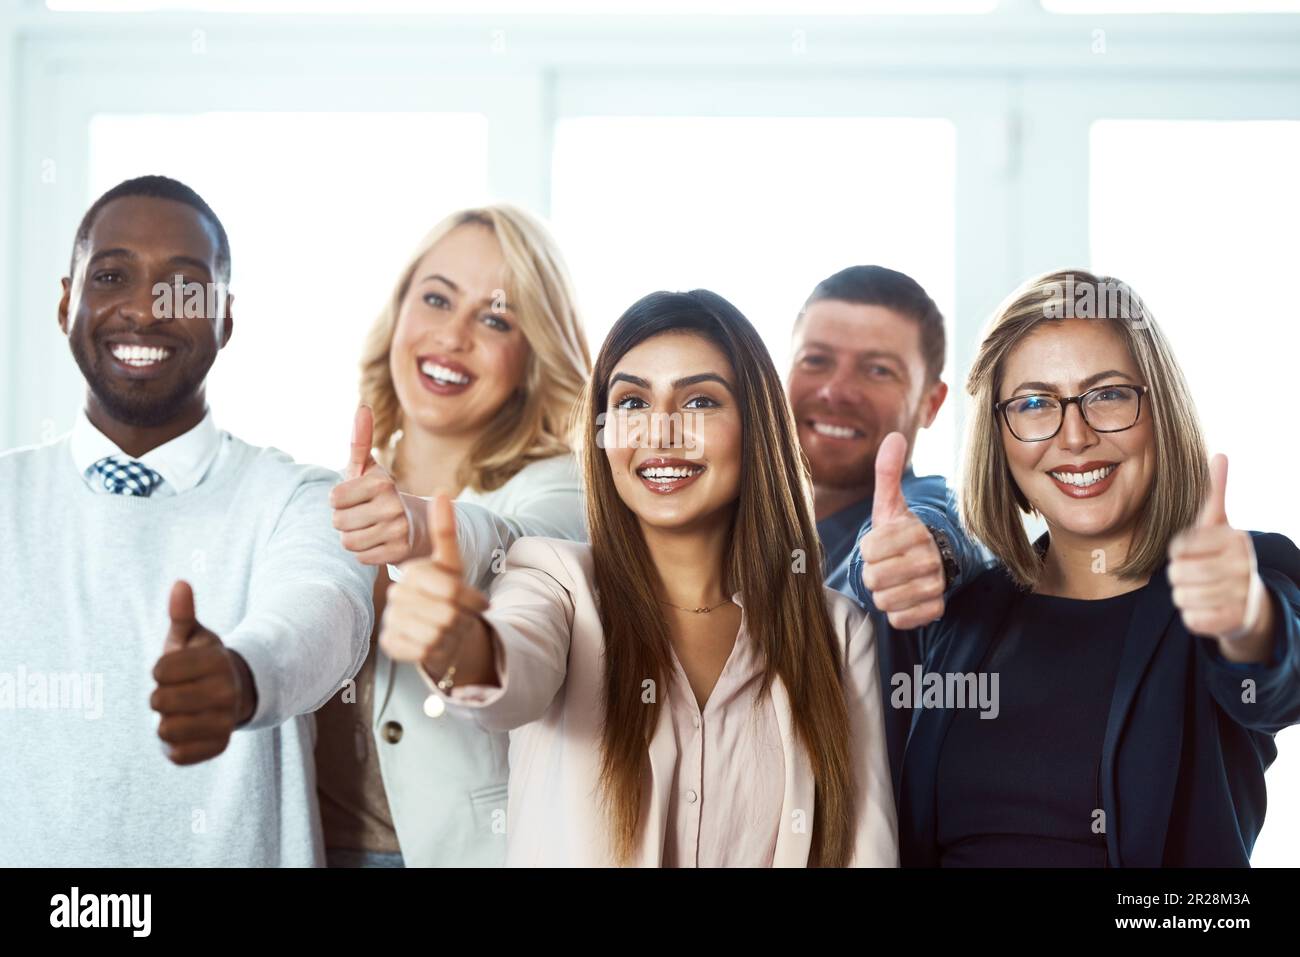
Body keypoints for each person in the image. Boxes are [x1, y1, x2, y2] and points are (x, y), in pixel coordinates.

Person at [380, 289, 898, 867]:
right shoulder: (553, 581)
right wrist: (458, 643)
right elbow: (510, 675)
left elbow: (866, 850)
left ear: (756, 430)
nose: (661, 432)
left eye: (700, 402)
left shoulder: (837, 630)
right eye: (631, 403)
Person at [0, 175, 375, 867]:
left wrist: (241, 674)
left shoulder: (297, 498)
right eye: (113, 274)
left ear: (226, 317)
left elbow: (322, 616)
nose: (145, 311)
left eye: (184, 286)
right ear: (65, 302)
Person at [891, 269, 1300, 867]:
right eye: (1034, 403)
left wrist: (1245, 620)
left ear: (1160, 410)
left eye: (1107, 394)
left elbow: (1276, 680)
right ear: (999, 438)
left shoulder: (1242, 577)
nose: (1074, 436)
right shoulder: (964, 612)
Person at [318, 205, 590, 867]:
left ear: (532, 358)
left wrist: (418, 526)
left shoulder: (559, 485)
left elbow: (519, 542)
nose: (454, 334)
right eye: (437, 299)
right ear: (399, 312)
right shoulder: (334, 488)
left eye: (496, 317)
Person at [789, 265, 985, 776]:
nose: (836, 390)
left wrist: (923, 555)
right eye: (816, 360)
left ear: (930, 403)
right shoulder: (732, 534)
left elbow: (933, 530)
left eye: (878, 370)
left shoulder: (927, 509)